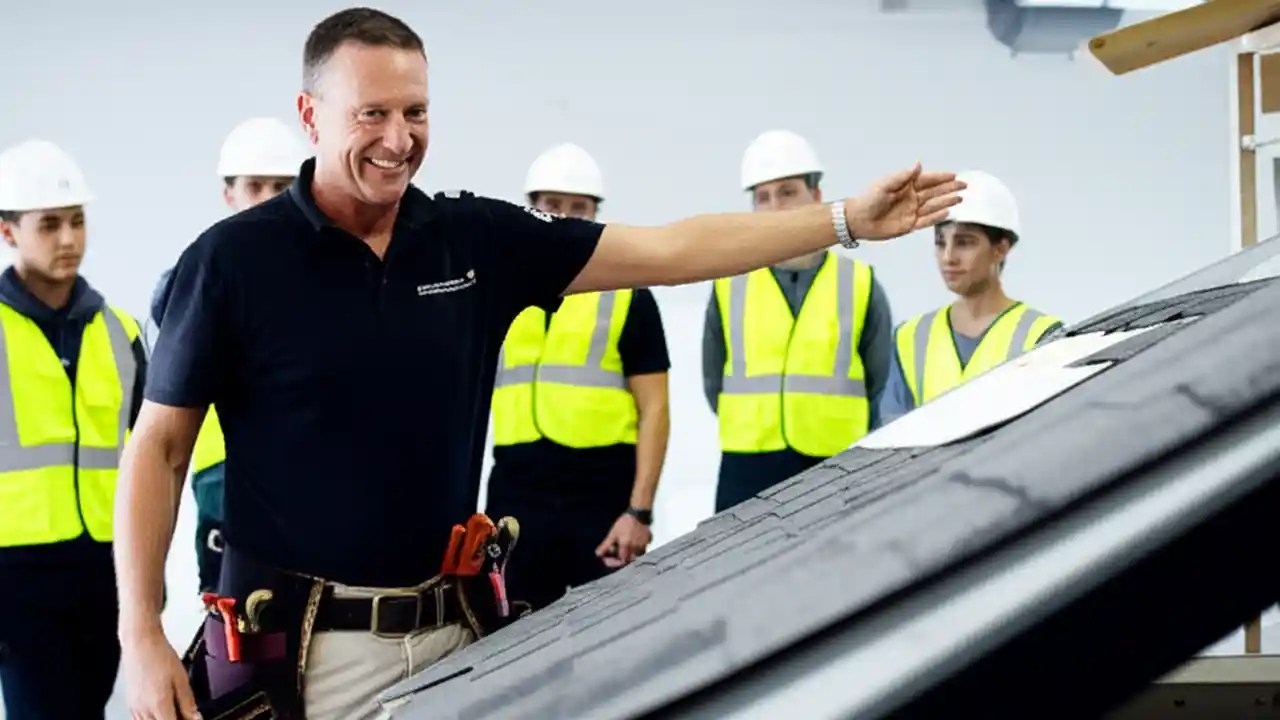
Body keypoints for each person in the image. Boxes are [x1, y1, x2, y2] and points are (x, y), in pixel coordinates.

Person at [113, 8, 965, 720]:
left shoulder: (472, 239)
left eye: (415, 112)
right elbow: (158, 452)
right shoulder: (231, 264)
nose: (397, 138)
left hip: (458, 639)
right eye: (370, 114)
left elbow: (671, 247)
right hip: (305, 655)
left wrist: (846, 219)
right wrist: (141, 634)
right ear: (311, 115)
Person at [486, 142, 671, 612]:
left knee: (609, 646)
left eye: (578, 208)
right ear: (530, 208)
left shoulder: (629, 296)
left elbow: (656, 409)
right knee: (505, 650)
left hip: (602, 507)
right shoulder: (495, 292)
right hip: (515, 505)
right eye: (551, 206)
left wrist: (639, 512)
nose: (565, 218)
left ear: (596, 215)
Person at [0, 139, 147, 719]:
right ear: (9, 231)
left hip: (105, 570)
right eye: (50, 224)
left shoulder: (122, 331)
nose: (68, 239)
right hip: (15, 576)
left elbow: (151, 459)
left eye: (77, 222)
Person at [144, 116, 311, 595]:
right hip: (225, 478)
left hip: (313, 474)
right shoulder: (195, 280)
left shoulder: (333, 275)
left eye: (281, 185)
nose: (269, 197)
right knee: (236, 629)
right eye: (255, 185)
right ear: (228, 195)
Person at [703, 130, 895, 512]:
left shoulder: (860, 285)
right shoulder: (728, 284)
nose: (775, 207)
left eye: (787, 192)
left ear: (817, 197)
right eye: (763, 197)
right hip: (747, 467)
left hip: (837, 467)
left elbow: (879, 383)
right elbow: (714, 383)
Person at [880, 170, 1062, 425]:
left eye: (964, 242)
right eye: (940, 242)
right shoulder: (909, 338)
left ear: (1001, 249)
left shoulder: (1042, 336)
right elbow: (890, 433)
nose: (948, 257)